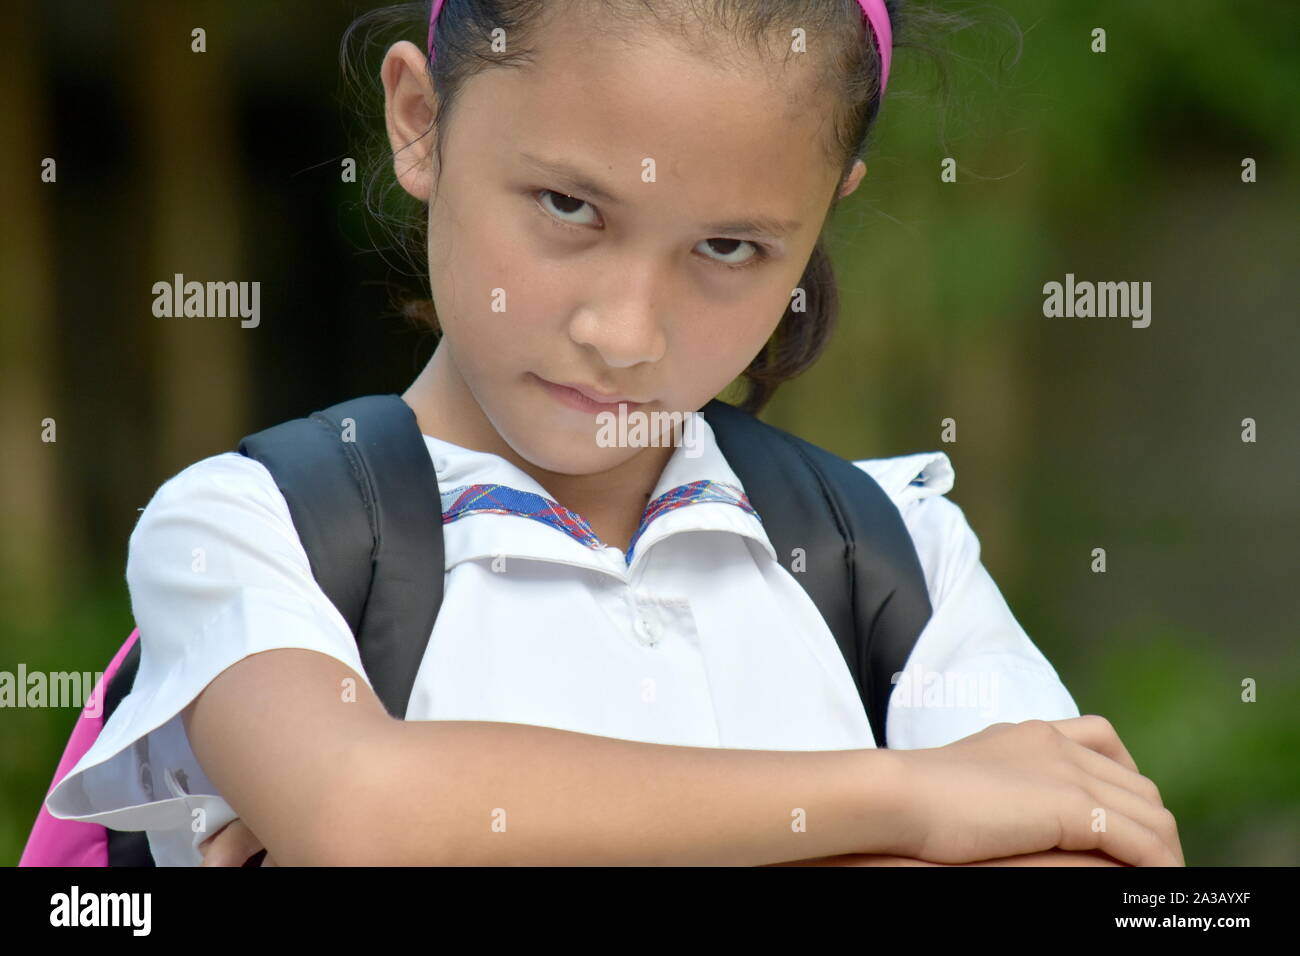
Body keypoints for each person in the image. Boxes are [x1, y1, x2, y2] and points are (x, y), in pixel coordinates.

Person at [45, 0, 1182, 867]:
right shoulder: (256, 528)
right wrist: (912, 797)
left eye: (728, 248)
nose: (626, 331)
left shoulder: (896, 547)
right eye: (569, 207)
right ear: (420, 122)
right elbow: (362, 809)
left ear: (826, 207)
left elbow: (1100, 852)